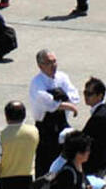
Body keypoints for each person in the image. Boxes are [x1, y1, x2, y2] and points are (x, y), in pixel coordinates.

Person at [31, 49, 81, 177]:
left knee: (65, 159)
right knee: (45, 162)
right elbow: (45, 101)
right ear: (40, 65)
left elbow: (74, 95)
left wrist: (64, 99)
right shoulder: (37, 82)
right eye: (49, 63)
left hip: (62, 123)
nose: (53, 65)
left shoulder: (62, 77)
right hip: (45, 127)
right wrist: (66, 105)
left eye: (54, 61)